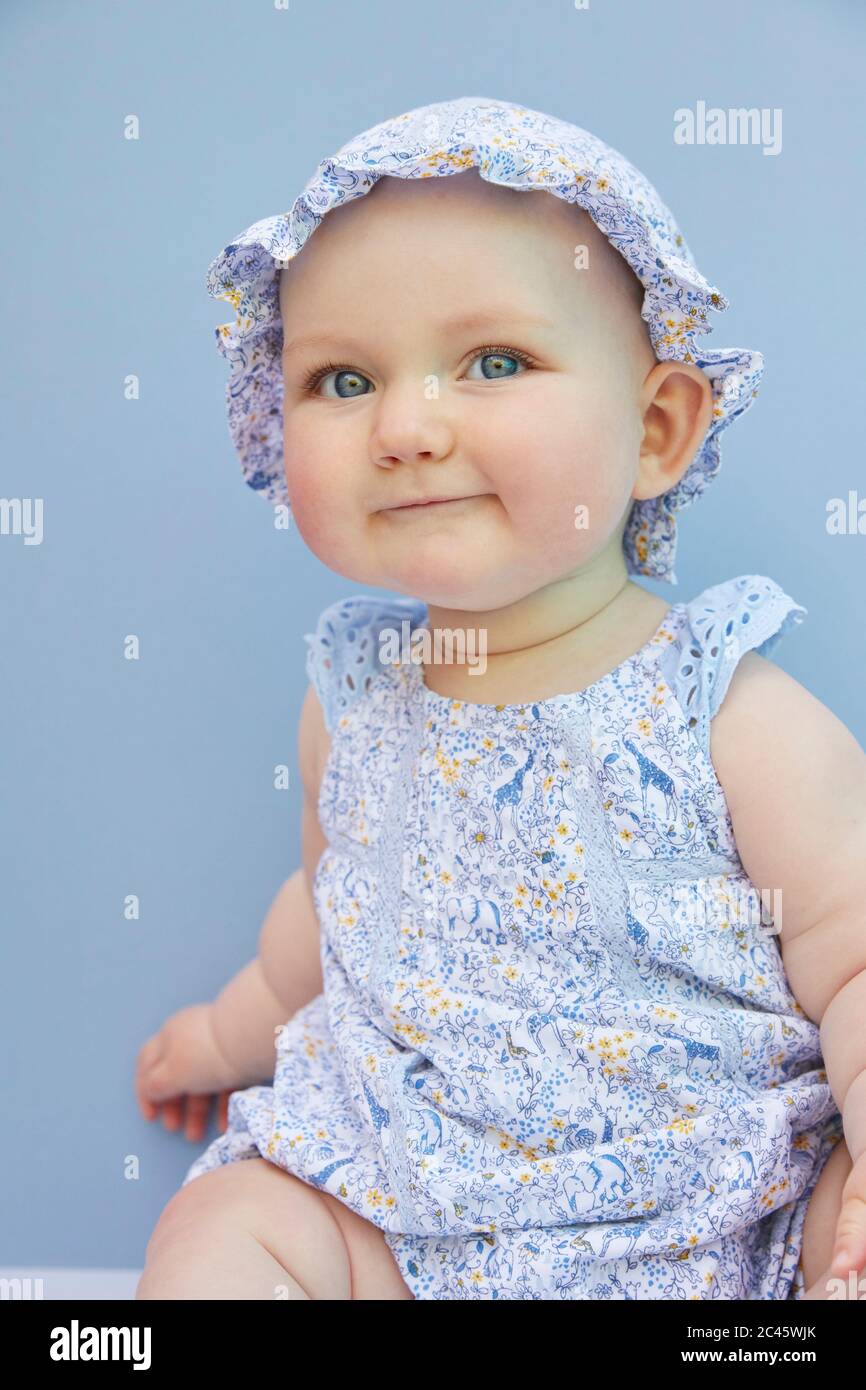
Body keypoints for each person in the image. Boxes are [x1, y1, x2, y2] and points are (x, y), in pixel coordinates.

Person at [134, 97, 866, 1301]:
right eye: (344, 377)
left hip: (711, 1225)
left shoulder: (729, 714)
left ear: (656, 428)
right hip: (397, 1204)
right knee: (220, 1231)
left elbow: (852, 971)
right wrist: (229, 1029)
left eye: (493, 362)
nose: (406, 427)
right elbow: (328, 919)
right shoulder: (352, 697)